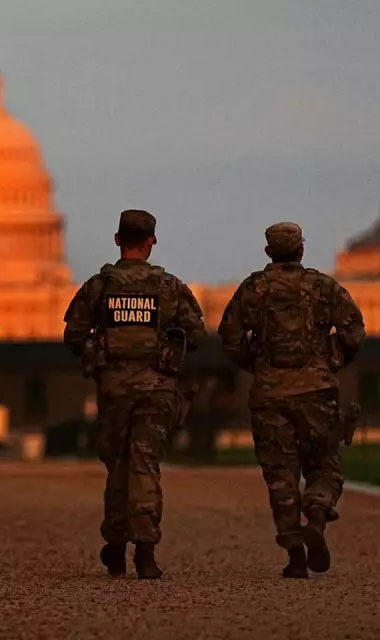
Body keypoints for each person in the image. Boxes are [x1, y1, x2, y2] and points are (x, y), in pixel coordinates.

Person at [63, 209, 205, 579]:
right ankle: (145, 550)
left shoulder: (99, 286)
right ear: (151, 241)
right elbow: (196, 333)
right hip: (156, 388)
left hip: (114, 388)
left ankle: (115, 543)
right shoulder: (168, 287)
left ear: (117, 240)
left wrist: (100, 352)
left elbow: (73, 335)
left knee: (118, 466)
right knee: (145, 464)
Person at [217, 222, 365, 579]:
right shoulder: (323, 286)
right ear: (301, 250)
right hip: (316, 392)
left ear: (269, 252)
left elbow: (231, 337)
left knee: (280, 476)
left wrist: (257, 364)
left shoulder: (253, 288)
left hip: (269, 394)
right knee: (325, 466)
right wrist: (330, 359)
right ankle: (316, 515)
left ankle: (295, 555)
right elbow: (353, 331)